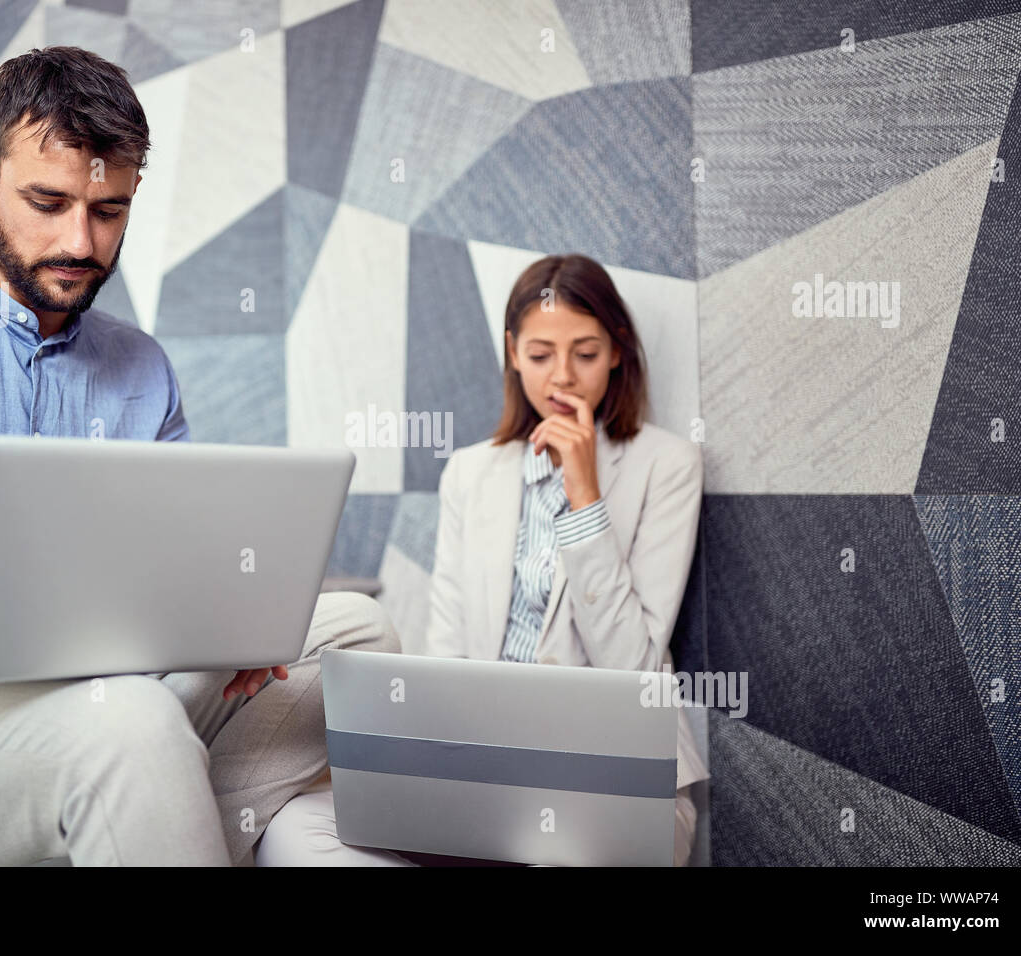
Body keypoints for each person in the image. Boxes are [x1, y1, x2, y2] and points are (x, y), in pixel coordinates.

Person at [0, 46, 399, 866]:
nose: (79, 241)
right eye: (47, 202)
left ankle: (143, 820)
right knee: (129, 724)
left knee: (353, 637)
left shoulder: (142, 368)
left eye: (108, 210)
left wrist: (229, 613)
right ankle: (142, 810)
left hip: (102, 698)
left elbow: (170, 561)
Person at [256, 254, 708, 867]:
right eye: (542, 354)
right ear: (513, 352)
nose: (564, 377)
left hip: (618, 777)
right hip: (493, 775)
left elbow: (634, 666)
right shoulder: (471, 471)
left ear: (619, 351)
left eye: (587, 353)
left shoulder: (667, 465)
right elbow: (449, 654)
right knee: (296, 830)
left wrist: (584, 497)